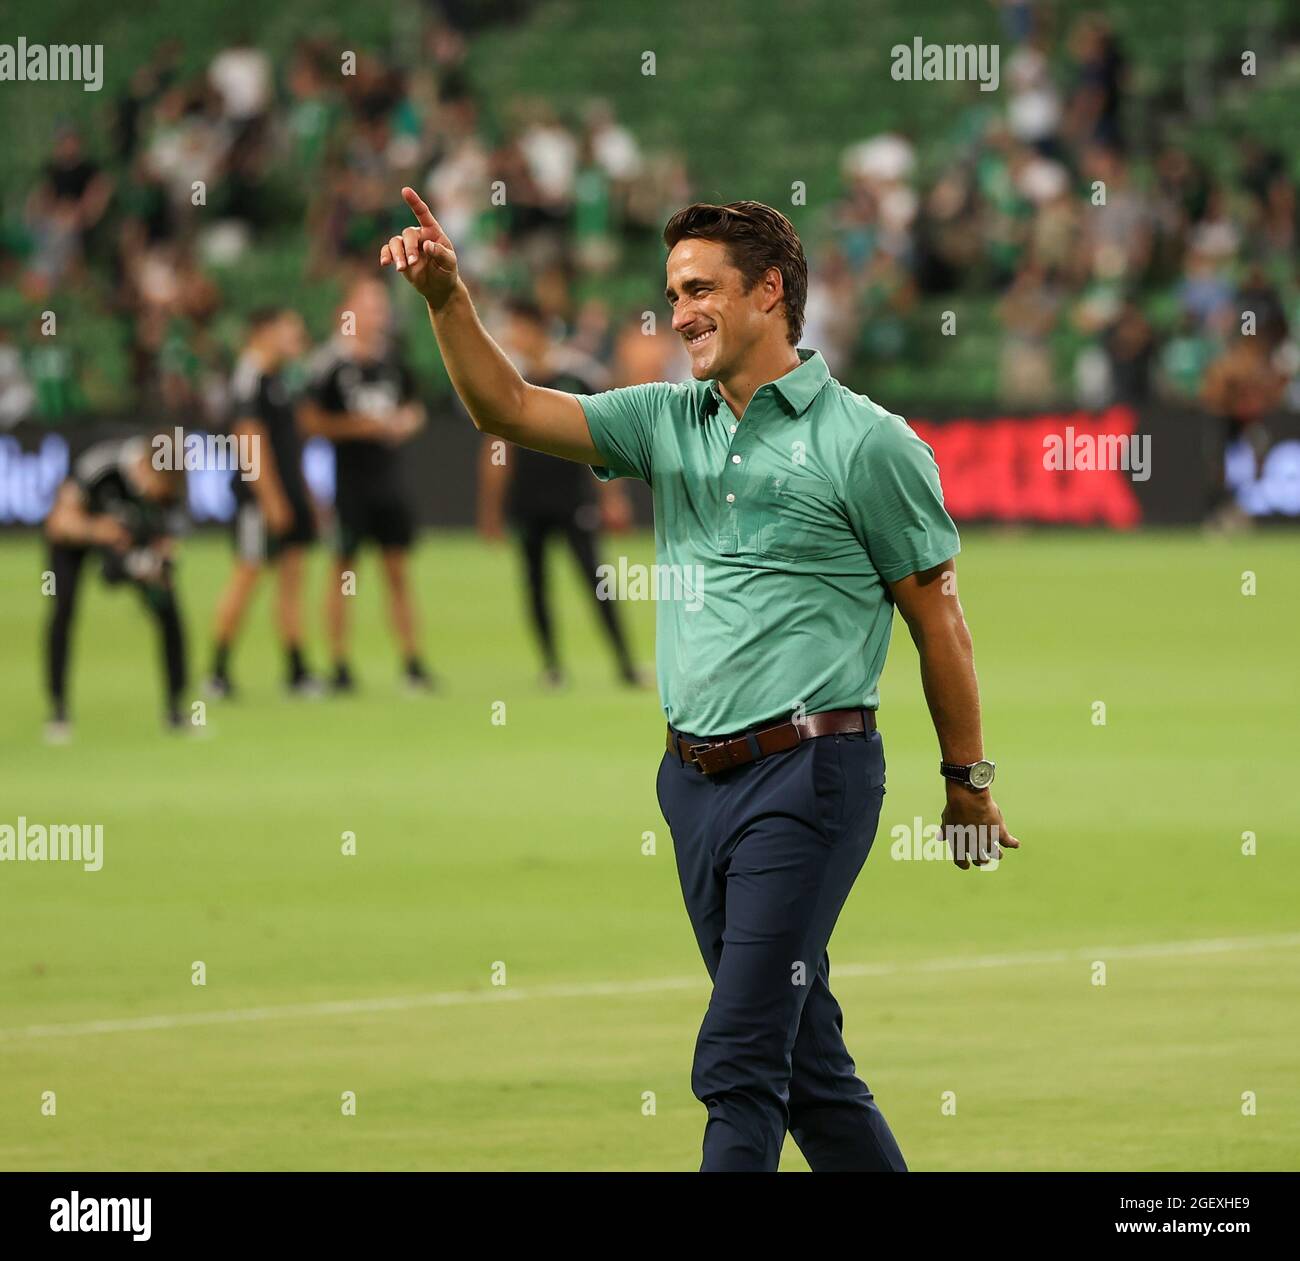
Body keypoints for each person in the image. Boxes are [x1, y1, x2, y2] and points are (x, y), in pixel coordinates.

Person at [380, 188, 1019, 1172]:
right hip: (692, 784)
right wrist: (445, 298)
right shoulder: (664, 420)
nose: (677, 314)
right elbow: (503, 407)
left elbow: (939, 618)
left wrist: (966, 781)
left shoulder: (867, 442)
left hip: (811, 774)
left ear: (770, 291)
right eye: (672, 292)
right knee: (807, 1068)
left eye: (699, 289)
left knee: (738, 1061)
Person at [476, 297, 642, 688]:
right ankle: (552, 667)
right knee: (535, 583)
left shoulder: (577, 376)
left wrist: (613, 496)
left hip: (573, 499)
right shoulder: (510, 381)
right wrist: (491, 509)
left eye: (518, 327)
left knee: (596, 581)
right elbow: (496, 450)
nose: (514, 336)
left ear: (536, 329)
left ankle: (625, 662)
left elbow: (607, 438)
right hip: (528, 500)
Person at [299, 278, 434, 693]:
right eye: (368, 305)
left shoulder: (392, 360)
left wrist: (406, 423)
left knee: (397, 573)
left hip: (389, 483)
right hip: (350, 486)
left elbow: (415, 408)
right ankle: (339, 665)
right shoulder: (329, 365)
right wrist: (359, 427)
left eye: (380, 306)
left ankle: (413, 664)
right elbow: (308, 422)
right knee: (343, 573)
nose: (377, 314)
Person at [207, 307, 321, 698]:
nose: (298, 339)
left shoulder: (279, 378)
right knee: (248, 576)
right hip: (260, 501)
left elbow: (290, 446)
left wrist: (305, 494)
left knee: (292, 580)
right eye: (291, 330)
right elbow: (249, 442)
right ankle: (217, 671)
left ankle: (297, 669)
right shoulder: (250, 377)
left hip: (289, 496)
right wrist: (272, 501)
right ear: (265, 331)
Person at [43, 435, 188, 740]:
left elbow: (167, 542)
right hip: (76, 540)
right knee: (62, 608)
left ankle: (177, 710)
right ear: (144, 467)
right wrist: (98, 531)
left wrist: (153, 563)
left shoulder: (170, 481)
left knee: (168, 604)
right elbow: (58, 524)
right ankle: (58, 711)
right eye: (156, 487)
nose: (158, 497)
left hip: (125, 539)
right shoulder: (100, 467)